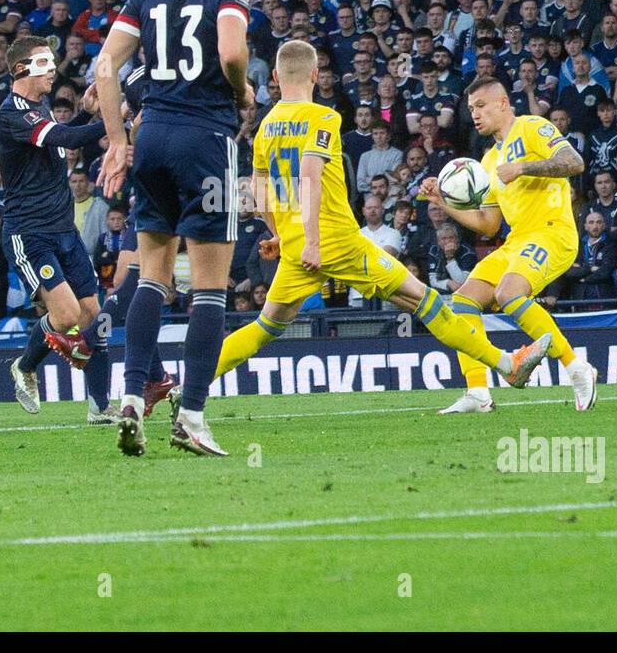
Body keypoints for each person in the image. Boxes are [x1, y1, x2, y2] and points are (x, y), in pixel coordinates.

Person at [192, 40, 550, 414]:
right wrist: (313, 241)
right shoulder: (323, 118)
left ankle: (190, 388)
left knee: (265, 327)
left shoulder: (266, 126)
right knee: (425, 301)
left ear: (277, 77)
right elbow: (310, 178)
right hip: (336, 242)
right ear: (315, 75)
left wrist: (279, 233)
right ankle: (507, 365)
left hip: (296, 246)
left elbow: (260, 189)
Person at [95, 0, 257, 458]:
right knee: (210, 288)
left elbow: (103, 66)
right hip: (206, 137)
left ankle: (134, 396)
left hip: (153, 136)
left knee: (151, 278)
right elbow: (233, 52)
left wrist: (118, 140)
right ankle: (190, 415)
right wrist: (240, 94)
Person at [423, 77, 596, 413]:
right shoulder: (488, 160)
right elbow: (488, 224)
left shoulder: (532, 127)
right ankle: (478, 393)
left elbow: (574, 162)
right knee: (463, 300)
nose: (475, 114)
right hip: (517, 239)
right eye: (471, 108)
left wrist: (524, 167)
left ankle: (577, 369)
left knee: (508, 293)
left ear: (503, 103)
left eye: (481, 106)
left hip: (552, 232)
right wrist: (443, 202)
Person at [0, 36, 115, 425]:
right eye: (43, 62)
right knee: (64, 316)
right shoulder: (12, 112)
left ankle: (99, 407)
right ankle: (24, 367)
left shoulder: (39, 106)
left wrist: (84, 114)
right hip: (30, 234)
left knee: (94, 316)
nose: (52, 69)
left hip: (64, 229)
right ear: (20, 70)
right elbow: (60, 136)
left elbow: (59, 138)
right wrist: (111, 120)